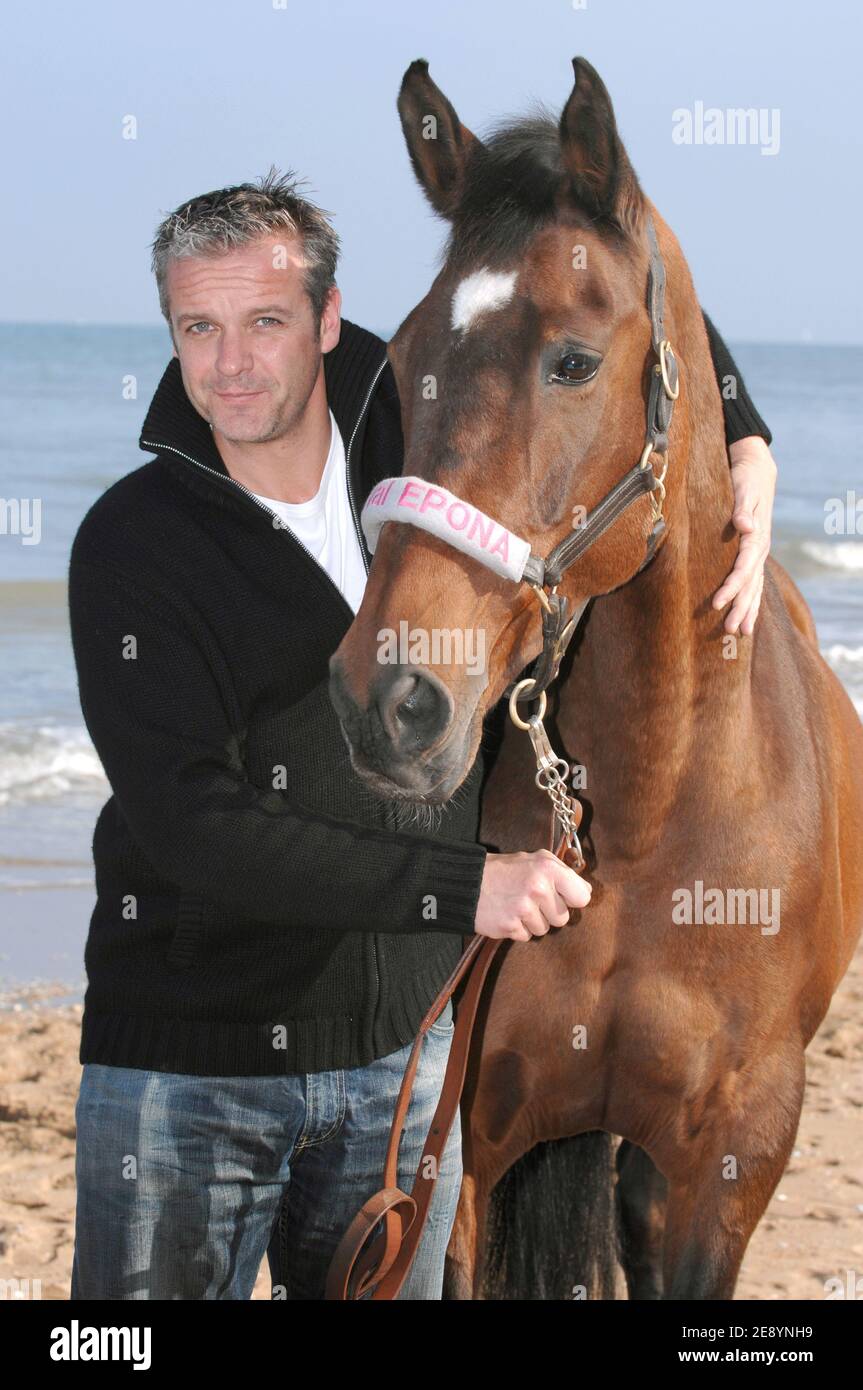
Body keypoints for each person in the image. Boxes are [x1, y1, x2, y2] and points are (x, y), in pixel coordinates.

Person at [67, 169, 776, 1301]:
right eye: (198, 327)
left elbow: (606, 315)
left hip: (396, 1077)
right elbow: (195, 829)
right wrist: (468, 887)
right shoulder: (129, 545)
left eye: (265, 321)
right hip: (187, 1077)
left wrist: (743, 435)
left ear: (330, 320)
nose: (232, 362)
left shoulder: (419, 418)